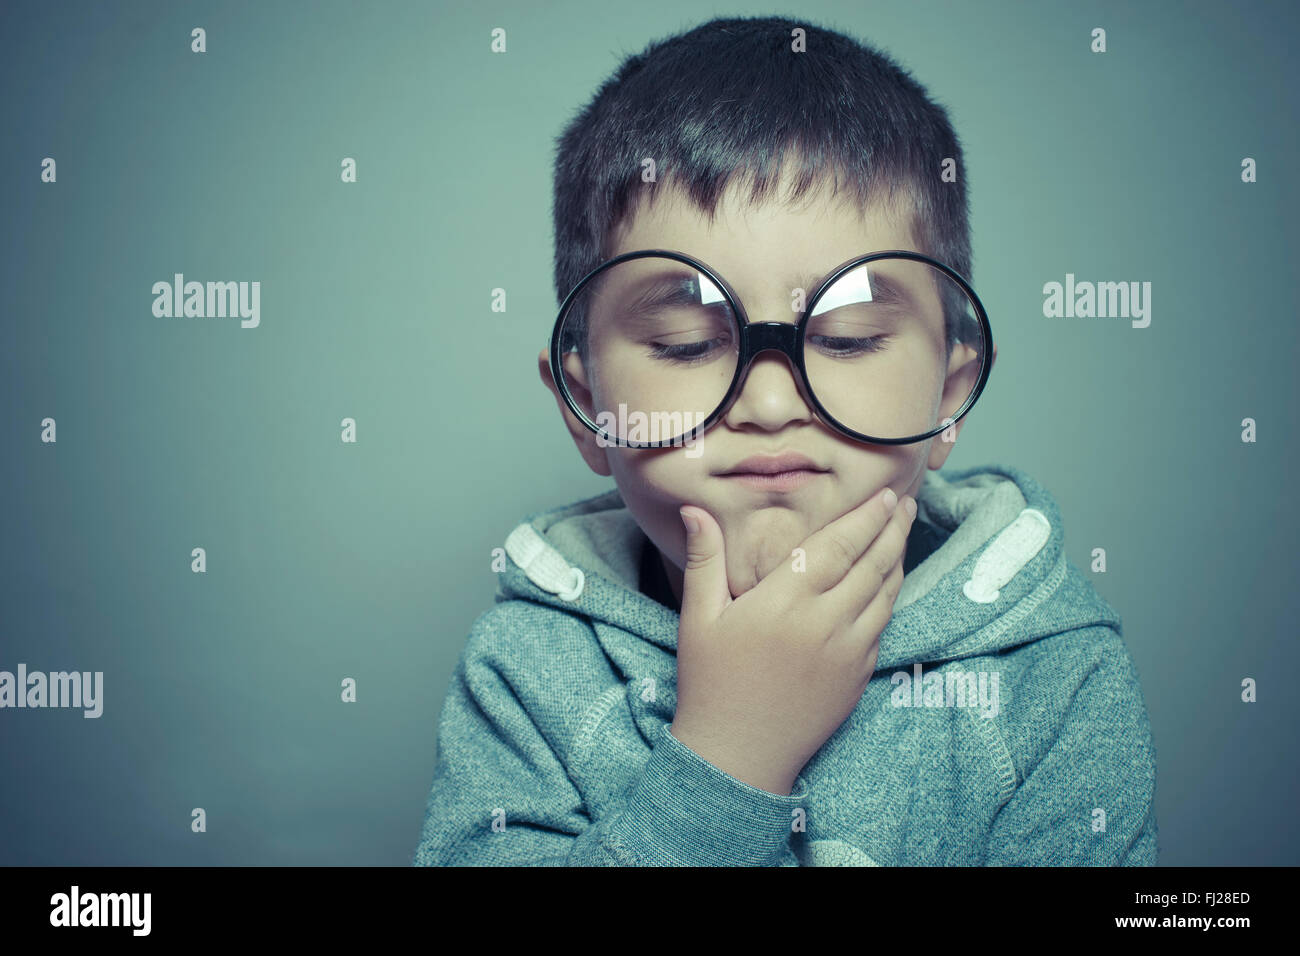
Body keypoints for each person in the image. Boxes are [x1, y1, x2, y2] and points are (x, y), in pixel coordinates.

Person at [413, 14, 1157, 866]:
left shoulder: (1055, 679)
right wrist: (729, 756)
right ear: (586, 408)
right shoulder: (524, 674)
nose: (770, 401)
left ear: (952, 394)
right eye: (687, 344)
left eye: (846, 340)